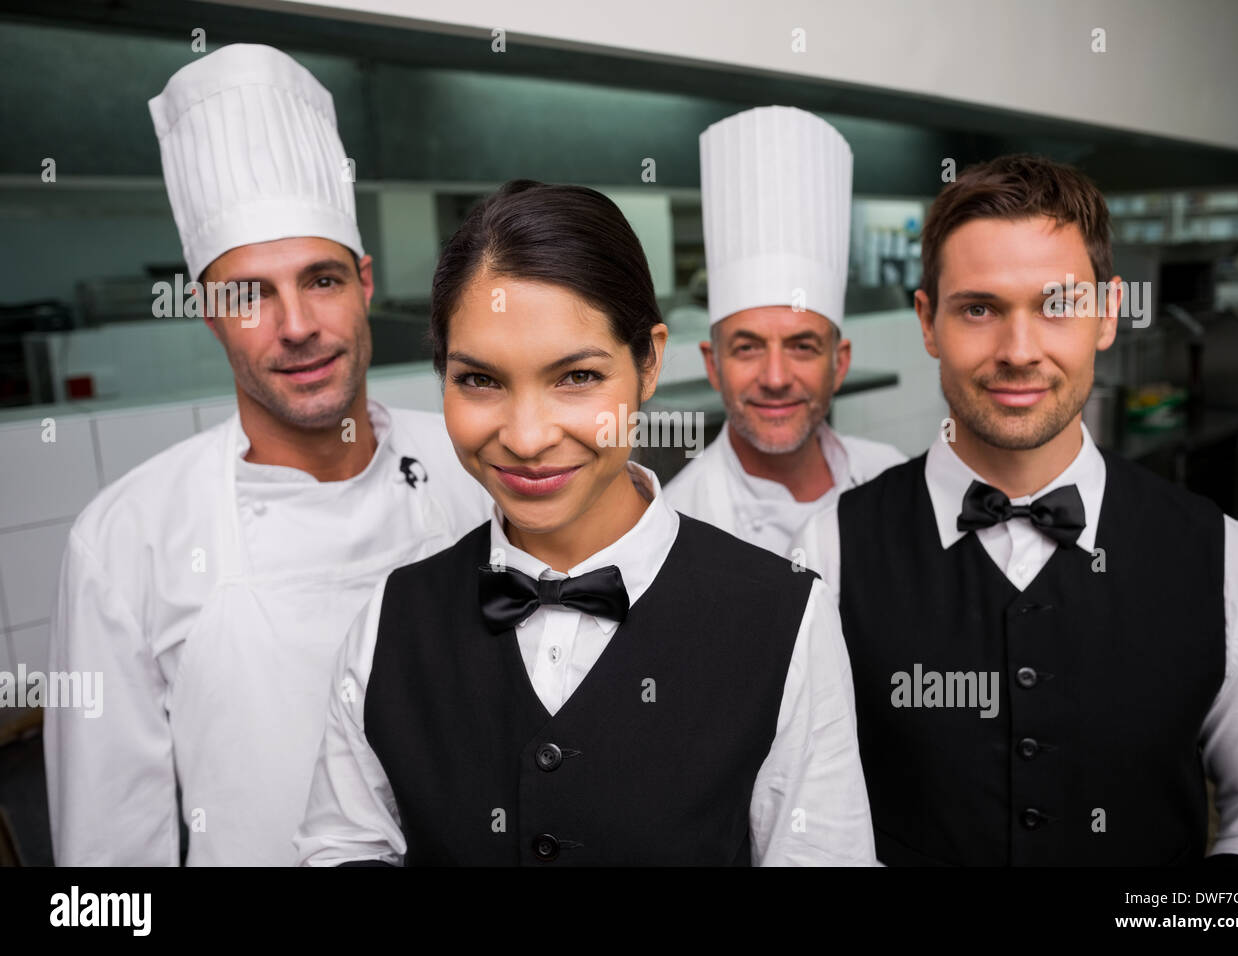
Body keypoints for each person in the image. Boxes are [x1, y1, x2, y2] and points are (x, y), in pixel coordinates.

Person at [294, 180, 877, 866]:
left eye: (575, 377)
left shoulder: (786, 616)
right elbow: (341, 849)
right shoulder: (391, 618)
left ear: (649, 361)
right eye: (480, 380)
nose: (529, 437)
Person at [44, 44, 491, 866]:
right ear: (209, 313)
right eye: (250, 293)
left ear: (362, 284)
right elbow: (109, 856)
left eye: (320, 279)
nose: (295, 325)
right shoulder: (126, 539)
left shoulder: (478, 468)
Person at [793, 154, 1238, 866]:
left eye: (1057, 304)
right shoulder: (827, 554)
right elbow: (810, 827)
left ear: (1106, 315)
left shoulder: (1233, 565)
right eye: (979, 308)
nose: (1019, 351)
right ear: (928, 322)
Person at [665, 106, 904, 557]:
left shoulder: (891, 481)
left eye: (802, 346)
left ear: (840, 362)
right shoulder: (675, 527)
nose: (775, 378)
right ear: (713, 365)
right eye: (747, 347)